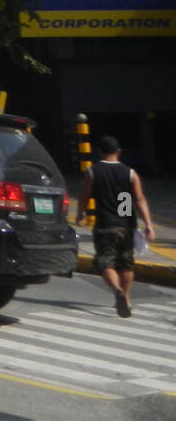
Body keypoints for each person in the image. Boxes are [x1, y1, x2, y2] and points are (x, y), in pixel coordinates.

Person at [76, 135, 156, 317]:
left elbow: (84, 195)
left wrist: (80, 213)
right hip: (126, 224)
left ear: (100, 152)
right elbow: (138, 199)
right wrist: (149, 224)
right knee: (126, 265)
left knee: (106, 263)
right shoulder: (130, 173)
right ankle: (126, 298)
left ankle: (117, 290)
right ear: (118, 152)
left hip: (105, 224)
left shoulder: (93, 171)